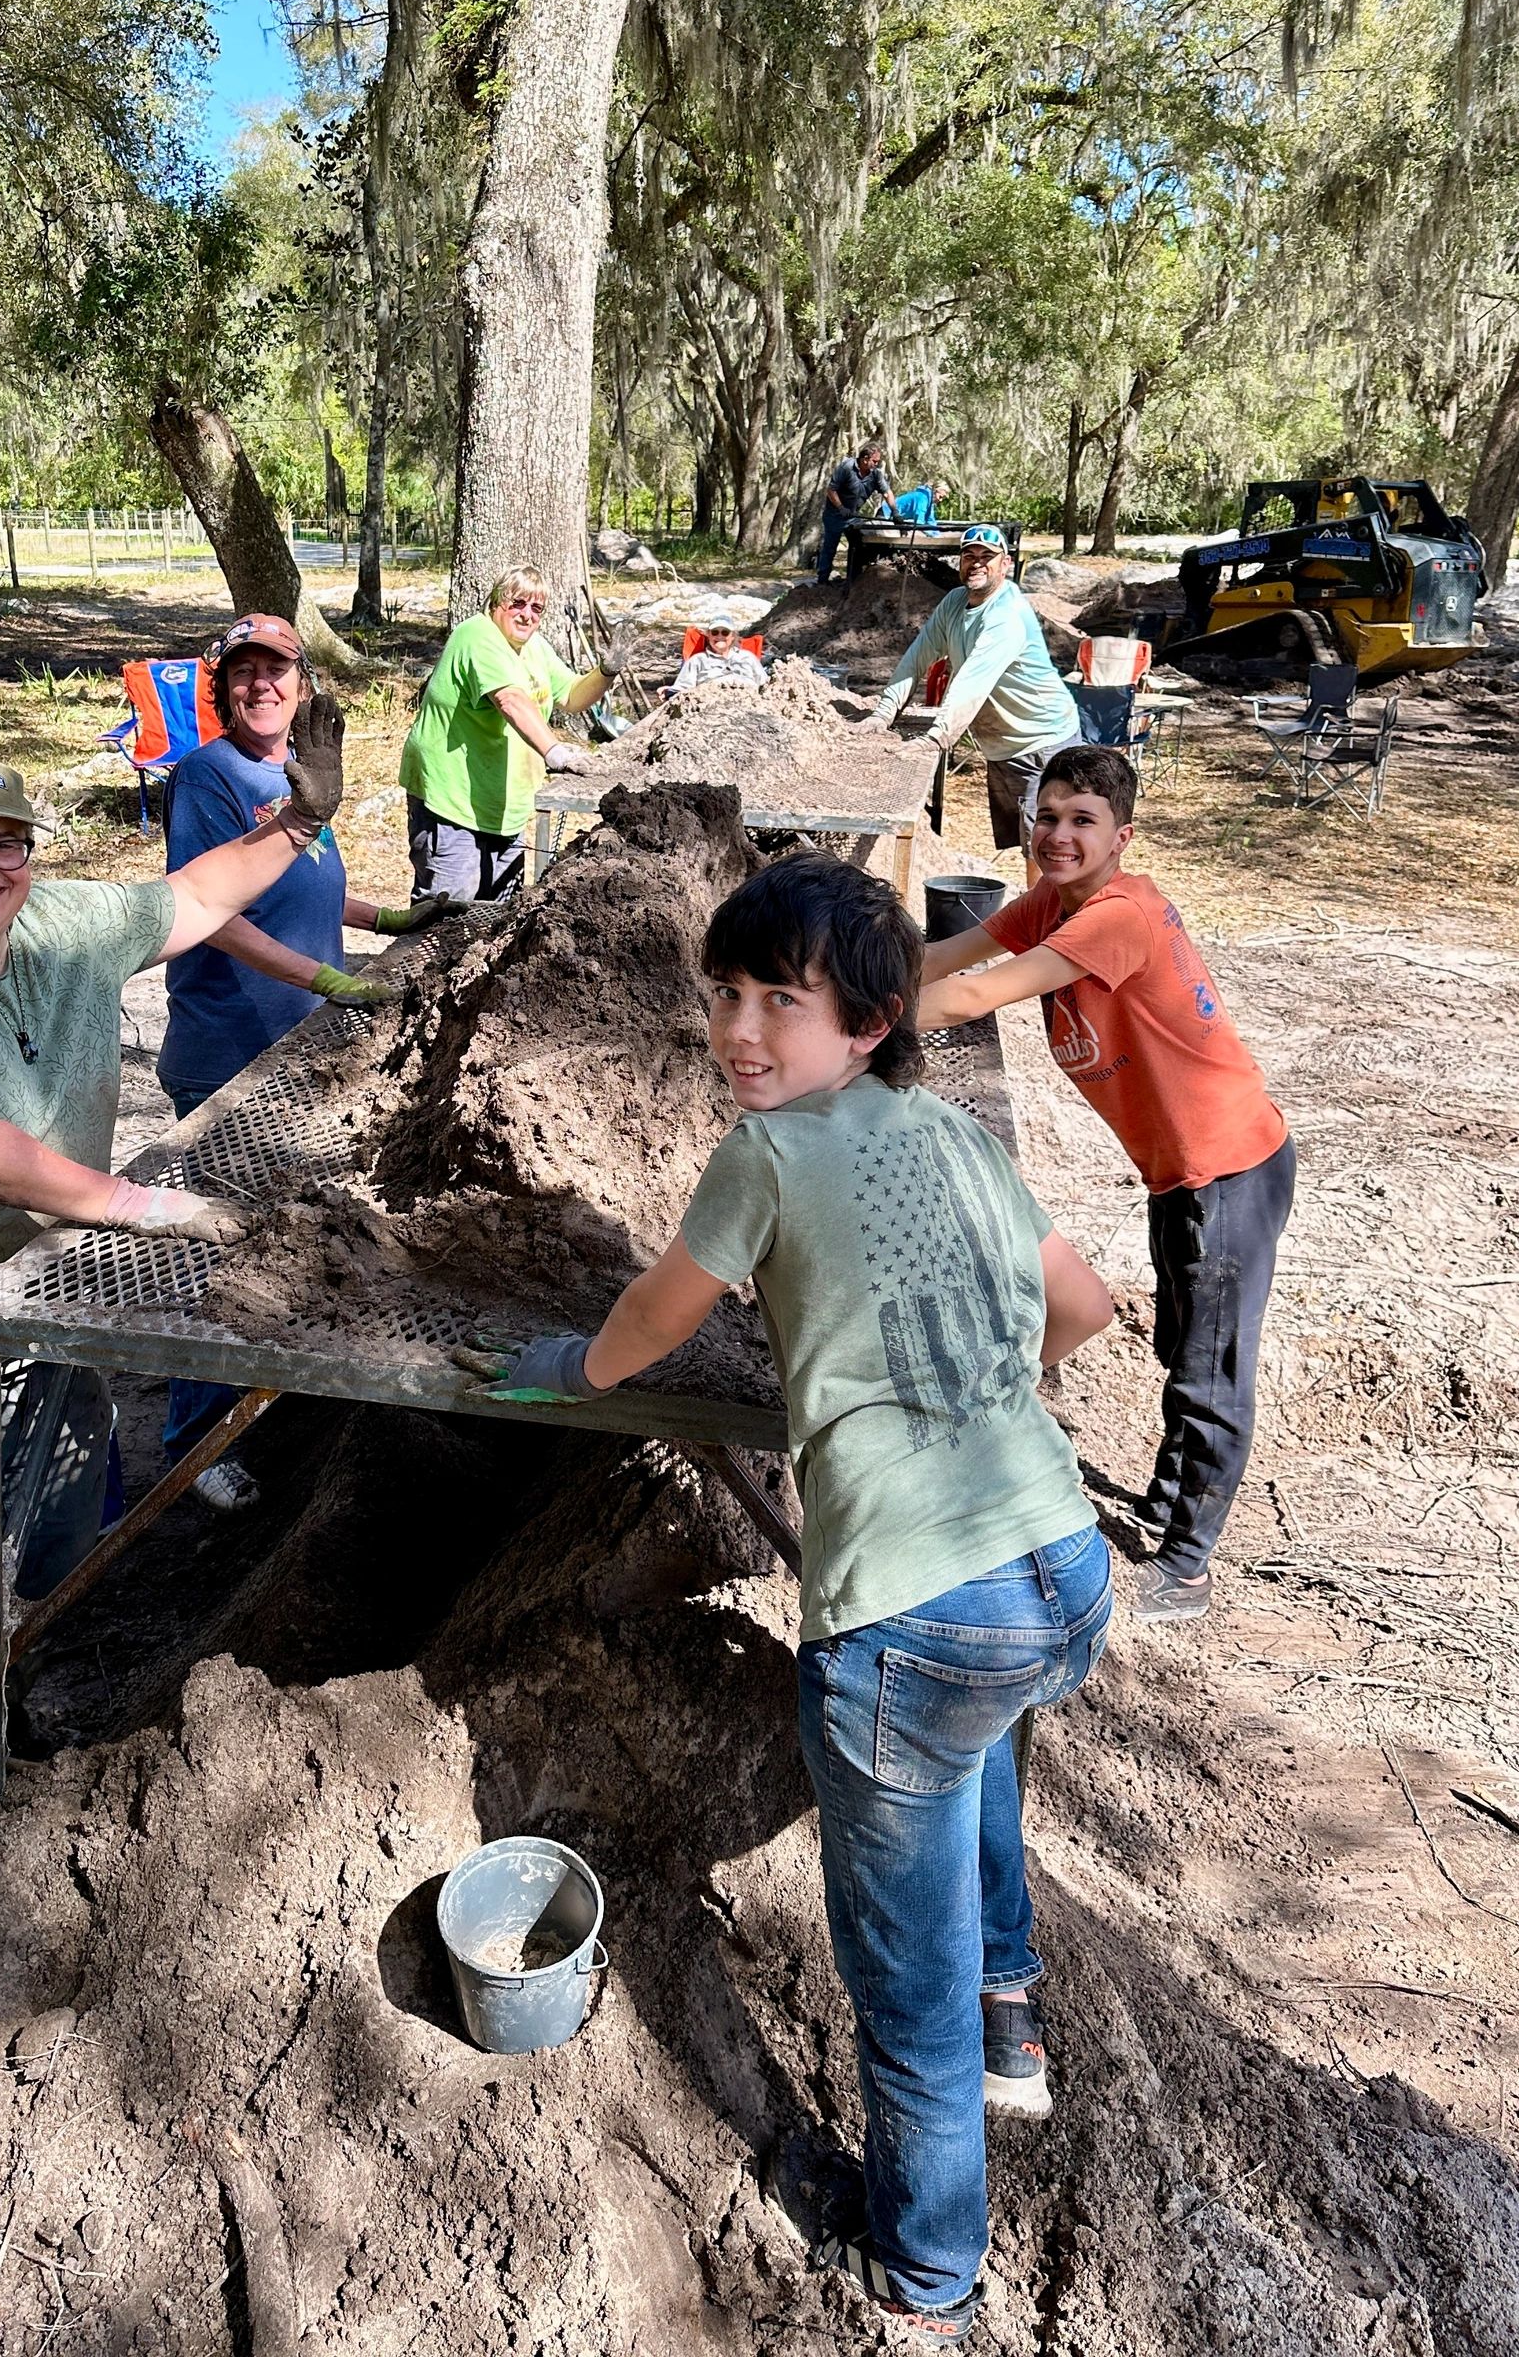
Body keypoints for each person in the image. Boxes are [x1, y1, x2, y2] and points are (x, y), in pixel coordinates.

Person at [471, 855, 1115, 2338]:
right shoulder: (954, 1137)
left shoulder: (762, 1159)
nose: (741, 1033)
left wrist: (576, 1367)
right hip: (1058, 1569)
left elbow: (650, 1323)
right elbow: (1076, 1310)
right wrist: (966, 1399)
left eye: (782, 1002)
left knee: (902, 1982)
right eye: (724, 996)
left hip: (905, 1624)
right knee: (982, 1738)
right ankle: (1011, 2013)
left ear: (871, 1019)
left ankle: (924, 2268)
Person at [0, 708, 343, 1782]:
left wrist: (300, 817)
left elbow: (188, 899)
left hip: (33, 1298)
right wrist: (130, 1204)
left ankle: (9, 1697)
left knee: (52, 1522)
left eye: (5, 843)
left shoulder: (54, 925)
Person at [918, 745, 1294, 1623]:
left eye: (1081, 821)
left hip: (1228, 1168)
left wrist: (840, 1022)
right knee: (1181, 1343)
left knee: (1209, 1369)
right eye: (1045, 817)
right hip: (1176, 1170)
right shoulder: (1053, 901)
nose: (1057, 834)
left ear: (1121, 836)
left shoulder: (1115, 918)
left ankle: (1187, 1564)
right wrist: (846, 972)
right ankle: (1166, 1504)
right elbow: (947, 957)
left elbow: (976, 997)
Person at [156, 611, 452, 1486]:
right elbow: (215, 914)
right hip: (231, 1046)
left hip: (300, 1045)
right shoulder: (206, 777)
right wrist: (326, 983)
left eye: (277, 670)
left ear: (303, 685)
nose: (262, 685)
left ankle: (268, 1395)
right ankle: (192, 1444)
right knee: (223, 1245)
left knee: (287, 1231)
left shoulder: (296, 775)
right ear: (221, 688)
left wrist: (386, 919)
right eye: (243, 672)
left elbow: (310, 882)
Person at [398, 566, 627, 901]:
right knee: (445, 916)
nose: (526, 615)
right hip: (452, 800)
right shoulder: (477, 636)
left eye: (536, 609)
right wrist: (556, 752)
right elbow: (510, 699)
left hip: (505, 807)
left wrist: (607, 671)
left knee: (495, 920)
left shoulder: (534, 648)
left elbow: (572, 696)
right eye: (518, 603)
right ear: (496, 601)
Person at [868, 523, 1081, 863]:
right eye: (969, 556)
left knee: (1049, 854)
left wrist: (935, 739)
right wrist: (883, 713)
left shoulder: (1007, 613)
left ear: (1005, 564)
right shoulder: (955, 603)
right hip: (1003, 747)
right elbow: (918, 656)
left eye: (988, 556)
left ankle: (1054, 918)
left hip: (1043, 744)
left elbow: (972, 680)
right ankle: (1039, 914)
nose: (977, 563)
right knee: (1034, 853)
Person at [816, 439, 886, 583]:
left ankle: (852, 578)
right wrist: (841, 508)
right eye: (875, 461)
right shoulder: (846, 468)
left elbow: (887, 493)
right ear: (865, 459)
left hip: (853, 517)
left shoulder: (875, 474)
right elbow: (831, 490)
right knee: (830, 548)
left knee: (858, 546)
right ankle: (822, 580)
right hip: (834, 516)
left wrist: (895, 512)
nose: (877, 464)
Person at [670, 596, 767, 694]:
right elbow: (681, 689)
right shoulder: (697, 660)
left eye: (725, 632)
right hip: (711, 701)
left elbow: (766, 685)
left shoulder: (748, 657)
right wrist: (668, 691)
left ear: (733, 636)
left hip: (749, 700)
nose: (719, 636)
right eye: (715, 632)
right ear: (708, 635)